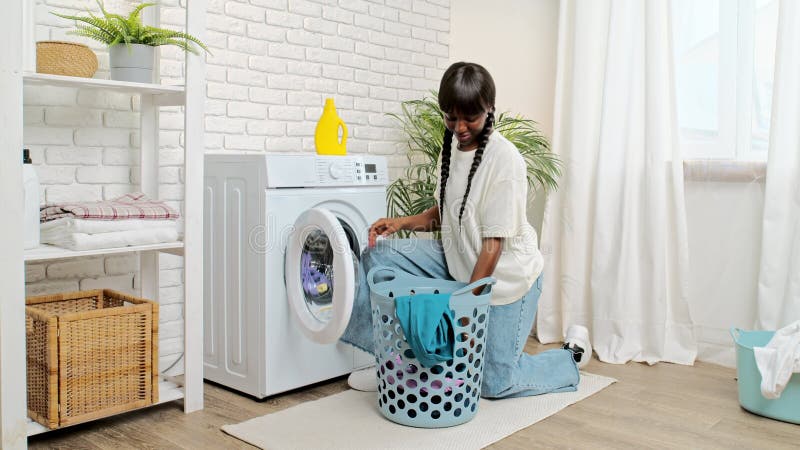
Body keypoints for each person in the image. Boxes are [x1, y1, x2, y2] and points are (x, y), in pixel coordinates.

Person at [340, 61, 591, 398]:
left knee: (493, 383)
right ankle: (391, 361)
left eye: (468, 118)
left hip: (505, 281)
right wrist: (402, 223)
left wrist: (467, 314)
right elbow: (450, 214)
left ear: (489, 110)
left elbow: (492, 246)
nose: (458, 127)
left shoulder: (505, 161)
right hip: (458, 260)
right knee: (379, 257)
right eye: (451, 117)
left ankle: (571, 354)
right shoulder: (452, 147)